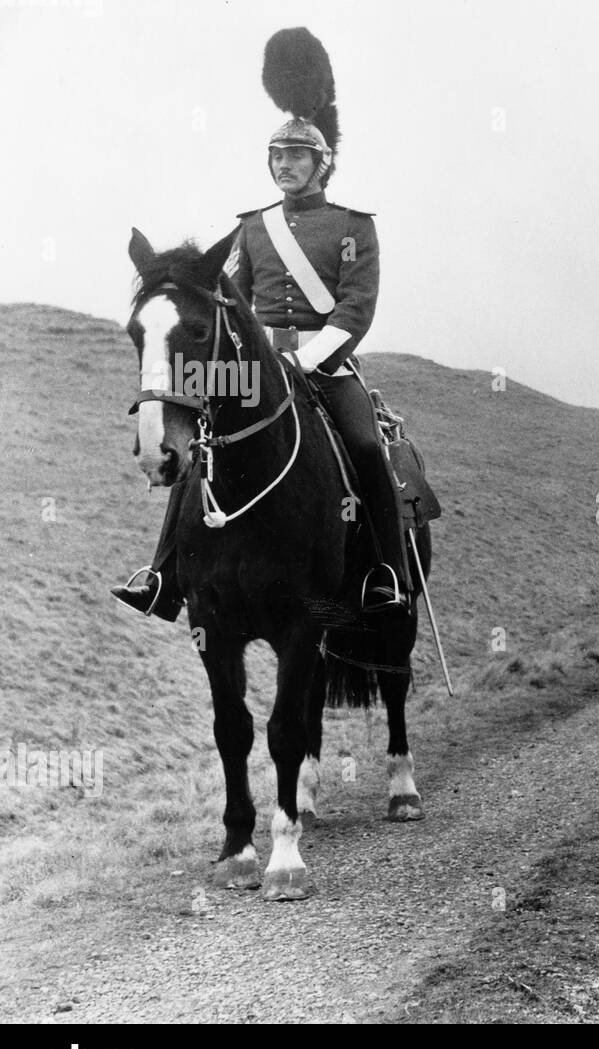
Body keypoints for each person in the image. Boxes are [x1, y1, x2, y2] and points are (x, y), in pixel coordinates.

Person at [112, 29, 411, 619]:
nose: (284, 166)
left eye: (297, 157)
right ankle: (163, 575)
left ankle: (384, 572)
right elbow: (236, 304)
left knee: (365, 446)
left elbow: (356, 308)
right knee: (200, 447)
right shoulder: (253, 227)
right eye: (277, 156)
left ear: (322, 163)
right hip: (253, 367)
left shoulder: (354, 226)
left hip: (323, 364)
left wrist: (308, 357)